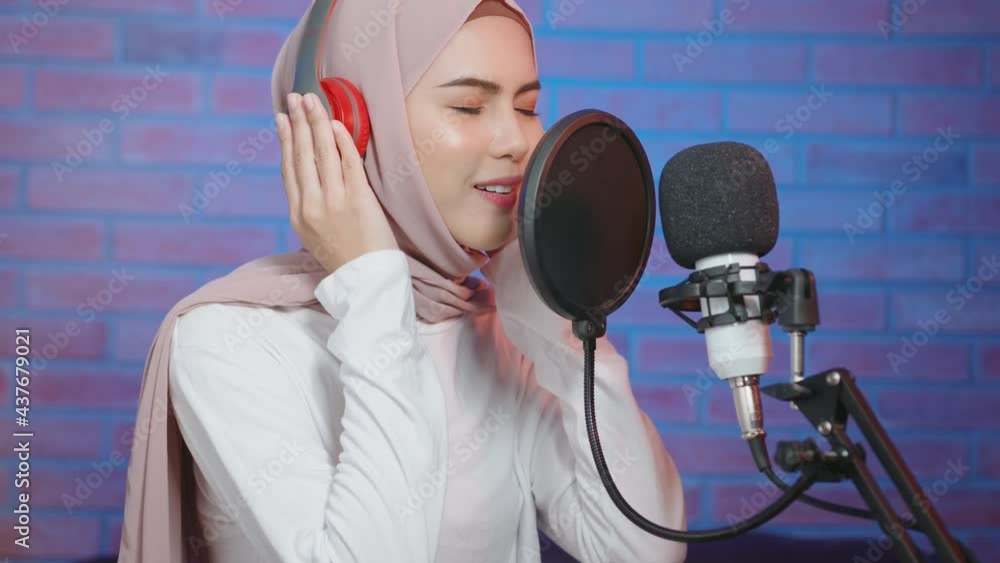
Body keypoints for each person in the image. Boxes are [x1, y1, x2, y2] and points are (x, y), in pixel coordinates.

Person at [117, 1, 687, 562]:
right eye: (468, 106)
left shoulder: (503, 333)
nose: (516, 142)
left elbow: (642, 551)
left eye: (528, 106)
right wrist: (371, 289)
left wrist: (558, 325)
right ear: (351, 130)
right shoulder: (227, 342)